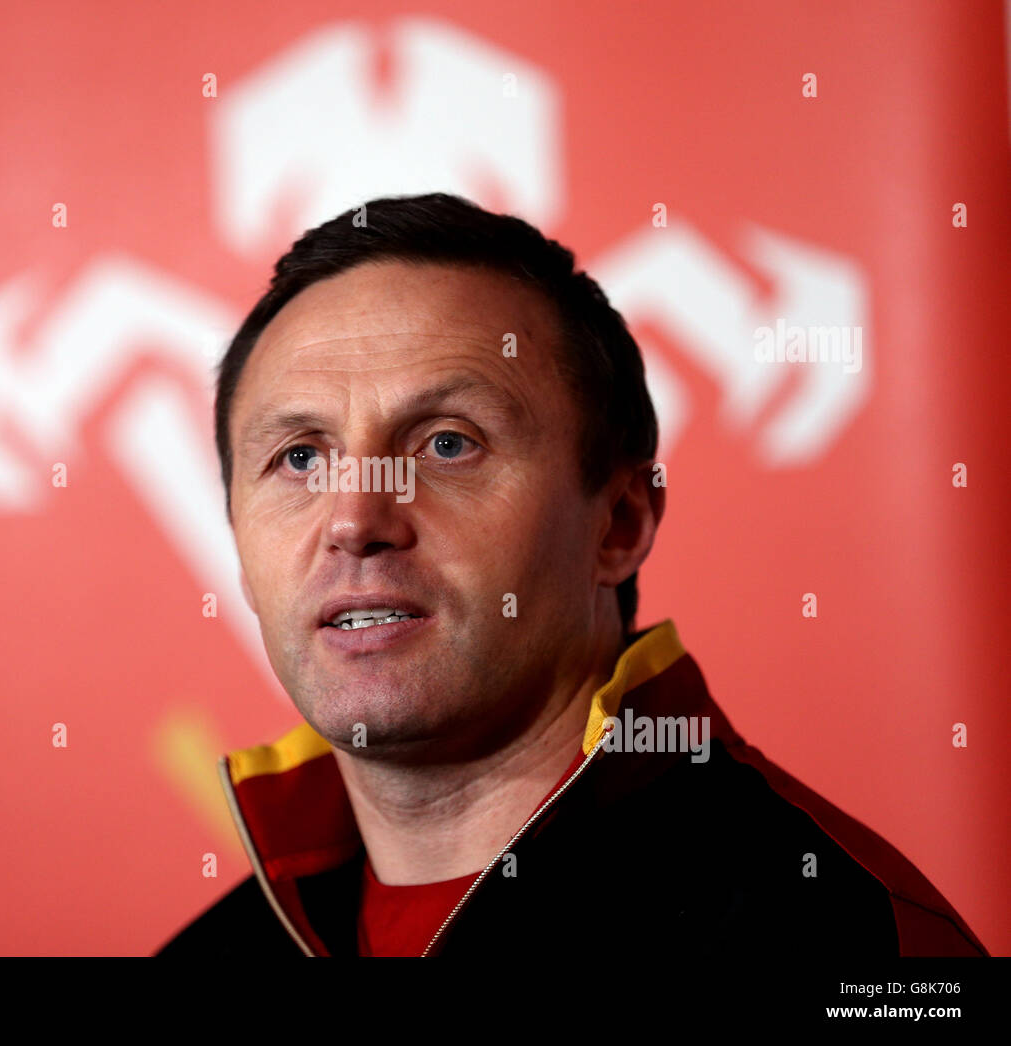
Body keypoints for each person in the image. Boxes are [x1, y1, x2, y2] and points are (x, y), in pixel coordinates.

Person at [157, 193, 986, 957]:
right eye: (299, 457)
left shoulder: (843, 938)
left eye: (447, 444)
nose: (355, 522)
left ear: (618, 524)